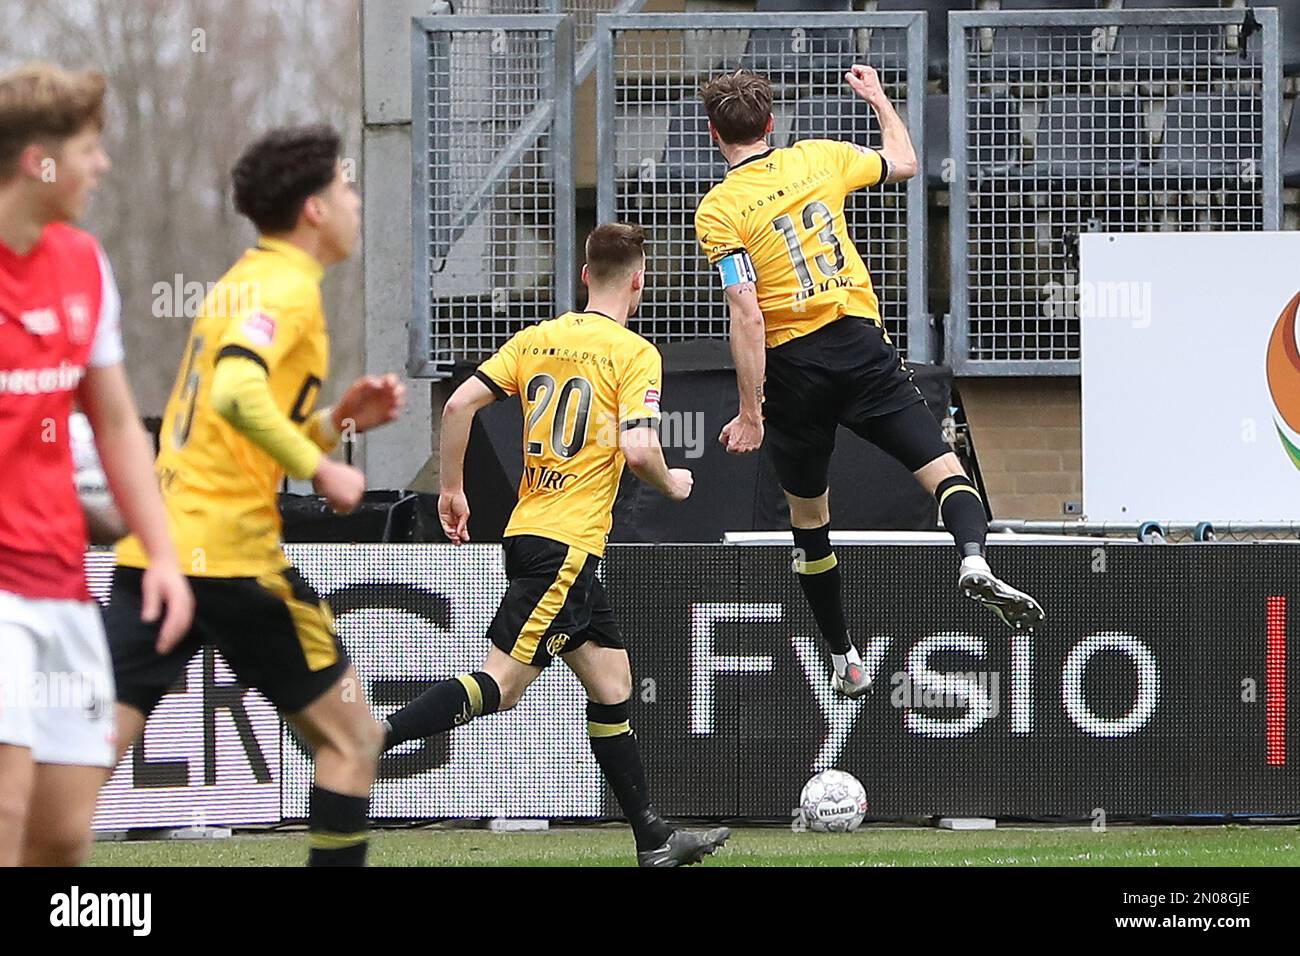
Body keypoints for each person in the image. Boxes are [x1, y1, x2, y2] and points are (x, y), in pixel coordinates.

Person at [382, 223, 730, 867]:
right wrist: (673, 481)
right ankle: (372, 739)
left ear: (582, 277)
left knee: (613, 680)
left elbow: (459, 406)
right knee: (502, 684)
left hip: (537, 536)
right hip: (566, 549)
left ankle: (651, 839)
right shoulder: (634, 354)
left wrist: (451, 491)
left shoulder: (539, 339)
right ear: (638, 280)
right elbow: (637, 448)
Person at [105, 124, 405, 866]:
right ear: (313, 209)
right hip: (233, 562)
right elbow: (239, 394)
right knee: (354, 738)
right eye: (346, 187)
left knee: (79, 759)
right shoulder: (286, 289)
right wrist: (323, 467)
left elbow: (235, 416)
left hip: (159, 551)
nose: (355, 201)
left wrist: (335, 422)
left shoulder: (244, 278)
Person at [694, 66, 1044, 699]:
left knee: (809, 520)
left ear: (714, 134)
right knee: (943, 470)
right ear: (772, 124)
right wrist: (879, 99)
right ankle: (972, 557)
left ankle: (844, 655)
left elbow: (745, 310)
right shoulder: (820, 158)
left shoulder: (718, 210)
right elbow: (905, 162)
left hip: (794, 366)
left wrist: (751, 410)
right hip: (859, 344)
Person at [0, 62, 194, 866]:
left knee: (63, 836)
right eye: (89, 148)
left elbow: (114, 421)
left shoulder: (84, 262)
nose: (102, 165)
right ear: (38, 160)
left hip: (64, 585)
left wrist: (162, 553)